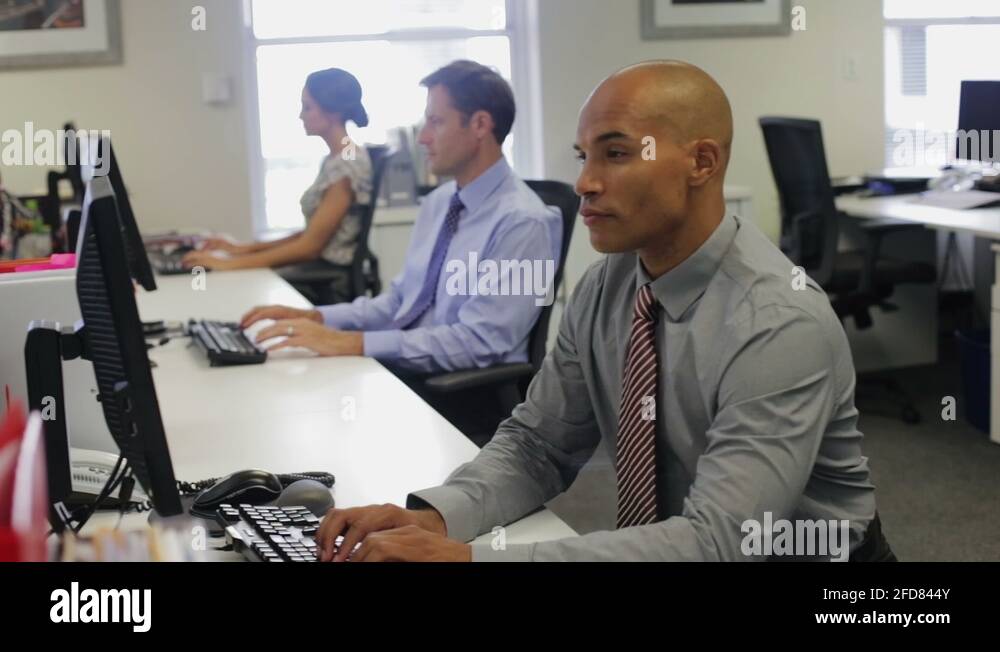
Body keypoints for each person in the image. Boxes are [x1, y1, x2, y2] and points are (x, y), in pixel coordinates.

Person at [312, 60, 895, 562]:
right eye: (583, 156)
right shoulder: (609, 284)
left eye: (615, 153)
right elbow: (539, 443)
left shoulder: (776, 321)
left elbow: (721, 542)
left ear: (702, 163)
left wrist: (469, 559)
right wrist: (437, 519)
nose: (585, 182)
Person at [241, 60, 561, 379]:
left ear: (479, 125)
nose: (422, 137)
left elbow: (482, 342)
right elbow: (400, 301)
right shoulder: (439, 203)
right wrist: (316, 318)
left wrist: (354, 343)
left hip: (457, 393)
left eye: (435, 122)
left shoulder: (524, 222)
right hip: (409, 368)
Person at [183, 67, 372, 294]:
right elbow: (309, 234)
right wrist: (241, 250)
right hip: (317, 270)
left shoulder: (347, 165)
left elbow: (309, 248)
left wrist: (228, 264)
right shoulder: (336, 159)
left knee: (242, 286)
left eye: (307, 107)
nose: (301, 115)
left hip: (327, 277)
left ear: (332, 112)